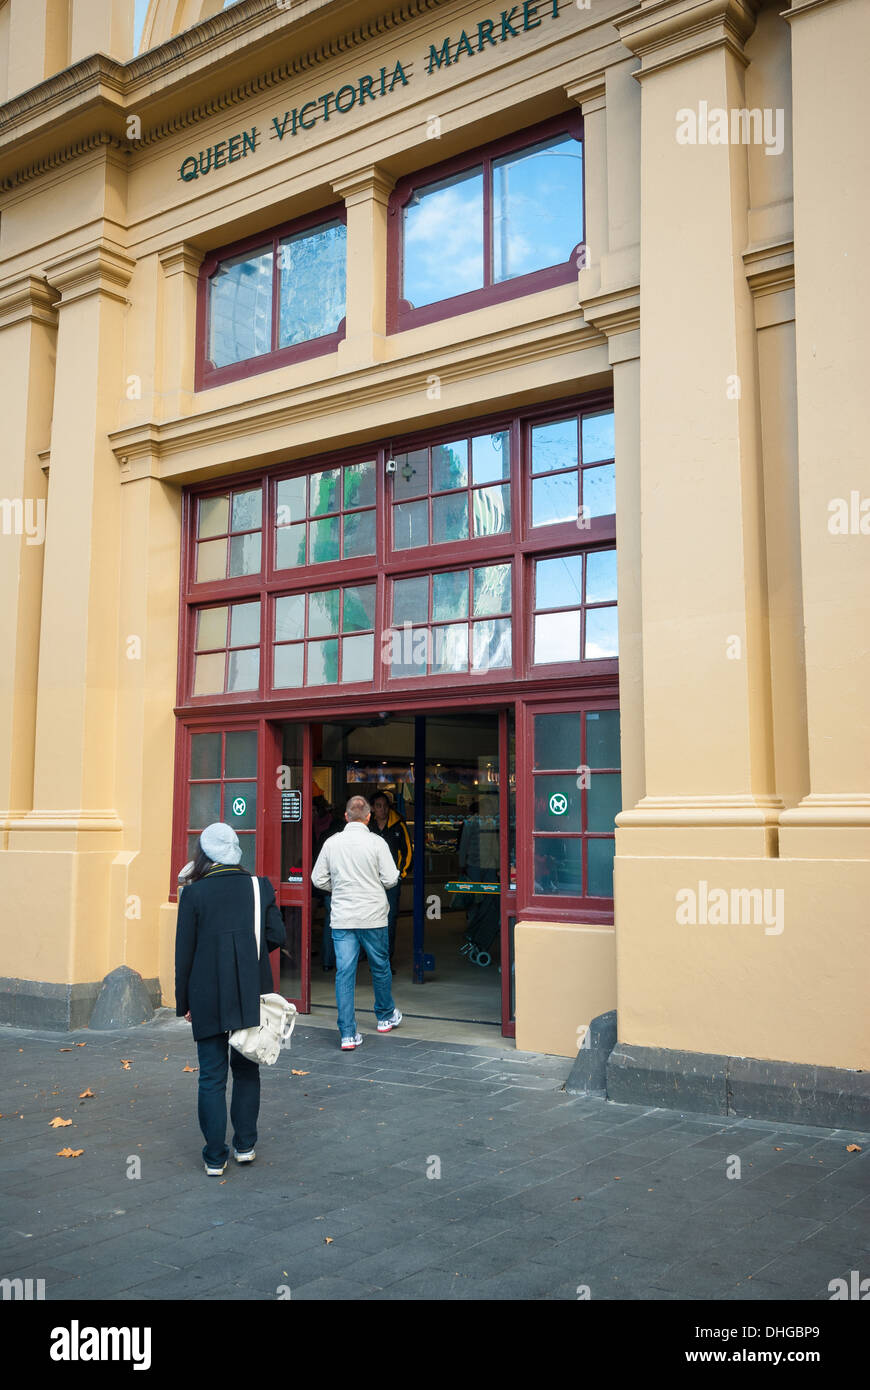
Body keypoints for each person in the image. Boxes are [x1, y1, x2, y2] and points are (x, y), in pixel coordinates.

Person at [175, 822, 286, 1176]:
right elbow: (277, 935)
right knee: (247, 1068)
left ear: (205, 854)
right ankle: (245, 1145)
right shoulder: (259, 887)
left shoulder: (193, 894)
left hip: (206, 992)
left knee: (210, 1076)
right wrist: (248, 957)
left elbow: (184, 955)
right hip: (249, 990)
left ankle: (213, 1156)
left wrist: (184, 1002)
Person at [311, 794, 401, 1050]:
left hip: (342, 917)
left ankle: (348, 1034)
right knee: (380, 967)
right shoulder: (377, 843)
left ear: (346, 816)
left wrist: (337, 887)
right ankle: (385, 1017)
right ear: (369, 817)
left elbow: (317, 879)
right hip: (373, 916)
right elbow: (391, 878)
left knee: (345, 974)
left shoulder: (331, 843)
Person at [369, 791, 413, 961]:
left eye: (385, 806)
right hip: (370, 882)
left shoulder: (398, 825)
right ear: (372, 808)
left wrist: (399, 875)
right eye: (379, 806)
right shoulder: (367, 826)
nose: (383, 810)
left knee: (389, 920)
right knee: (369, 918)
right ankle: (369, 954)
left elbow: (408, 852)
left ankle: (386, 957)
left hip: (391, 883)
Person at [312, 794, 344, 970]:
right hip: (325, 881)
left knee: (331, 923)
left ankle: (328, 960)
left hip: (329, 881)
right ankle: (330, 960)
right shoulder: (310, 826)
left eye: (315, 810)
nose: (312, 813)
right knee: (333, 923)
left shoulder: (332, 830)